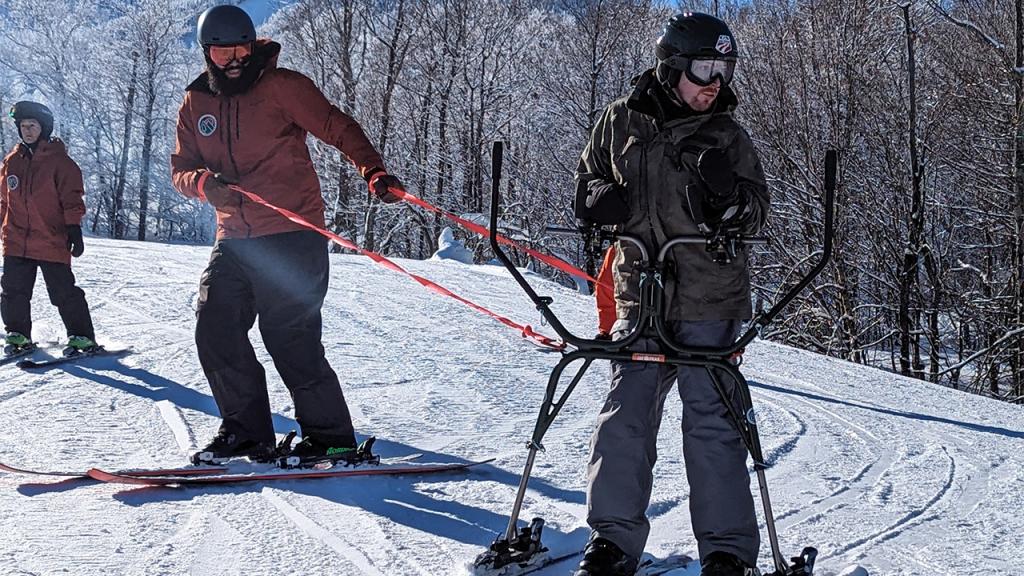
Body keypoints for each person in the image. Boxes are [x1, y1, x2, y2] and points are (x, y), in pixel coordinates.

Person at [572, 12, 770, 576]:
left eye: (724, 70)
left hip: (709, 294)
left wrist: (728, 200)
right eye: (704, 68)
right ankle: (612, 542)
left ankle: (727, 551)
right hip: (640, 293)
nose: (715, 82)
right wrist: (595, 200)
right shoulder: (620, 122)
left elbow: (757, 210)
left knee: (712, 418)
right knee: (625, 415)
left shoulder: (727, 135)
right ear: (672, 65)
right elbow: (588, 180)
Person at [170, 5, 404, 466]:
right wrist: (203, 185)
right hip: (234, 239)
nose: (234, 60)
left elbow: (337, 126)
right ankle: (246, 434)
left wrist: (372, 169)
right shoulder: (196, 103)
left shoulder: (283, 87)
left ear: (253, 44)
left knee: (289, 336)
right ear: (207, 54)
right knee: (214, 328)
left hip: (292, 234)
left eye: (241, 49)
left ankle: (331, 439)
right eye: (222, 53)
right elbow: (180, 168)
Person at [1, 100, 97, 357]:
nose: (27, 131)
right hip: (16, 238)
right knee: (13, 290)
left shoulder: (61, 163)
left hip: (51, 238)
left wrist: (73, 228)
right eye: (23, 126)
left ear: (44, 128)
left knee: (63, 292)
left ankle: (81, 336)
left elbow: (72, 199)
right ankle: (18, 333)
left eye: (32, 125)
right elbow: (3, 201)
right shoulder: (12, 162)